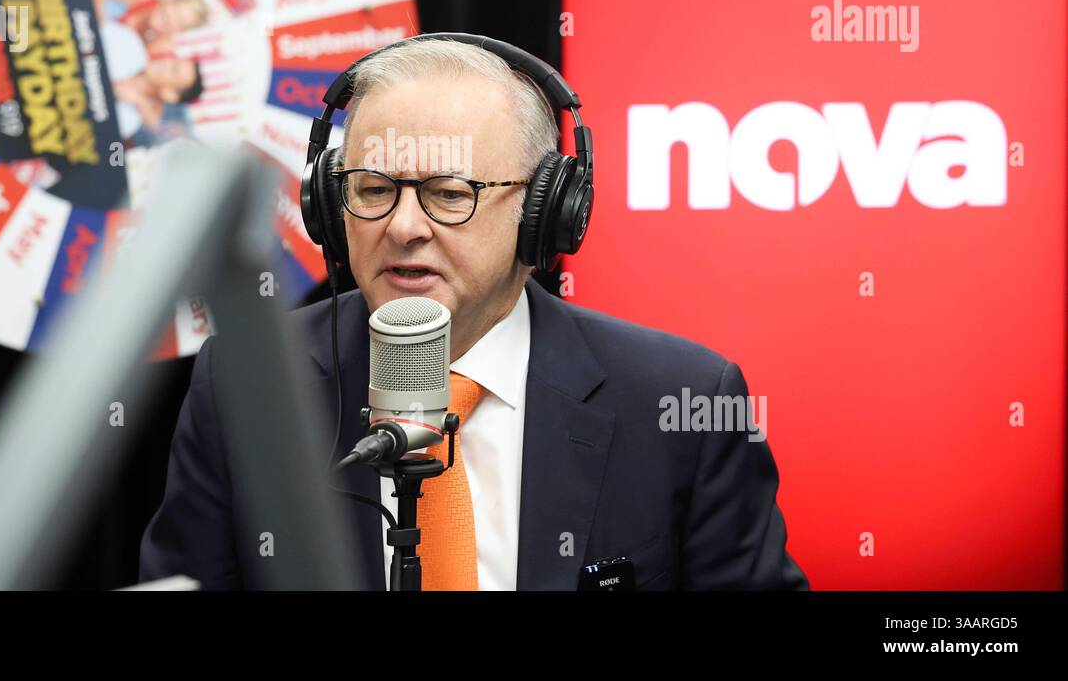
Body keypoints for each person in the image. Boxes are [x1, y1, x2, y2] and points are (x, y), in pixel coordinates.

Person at [139, 35, 808, 590]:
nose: (403, 225)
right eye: (373, 188)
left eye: (448, 193)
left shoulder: (679, 400)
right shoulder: (250, 383)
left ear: (546, 212)